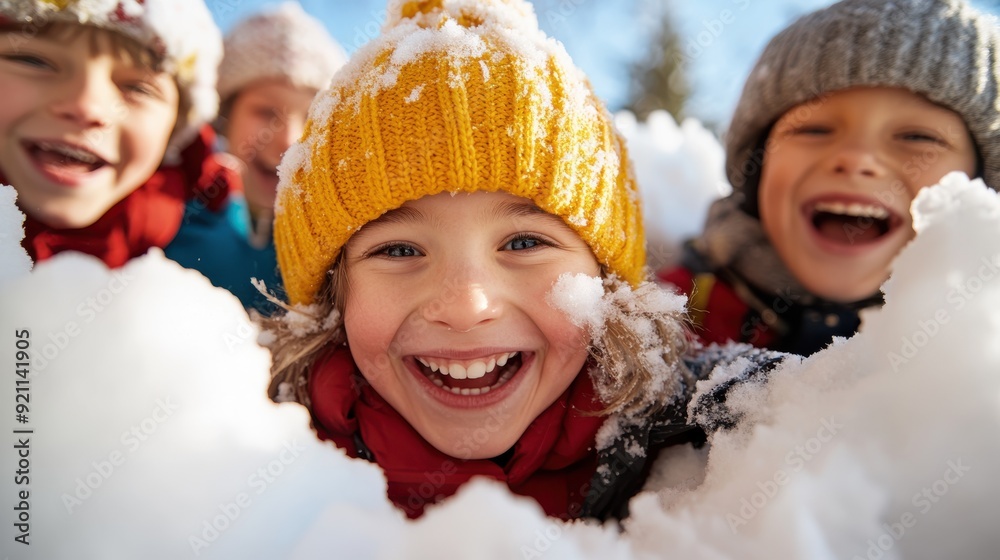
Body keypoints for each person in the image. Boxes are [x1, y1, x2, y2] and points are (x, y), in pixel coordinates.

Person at [263, 0, 788, 521]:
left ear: (606, 281)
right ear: (333, 294)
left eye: (522, 243)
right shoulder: (250, 461)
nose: (467, 306)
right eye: (399, 250)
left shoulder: (731, 437)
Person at [658, 0, 1000, 356]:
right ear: (757, 170)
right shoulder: (671, 318)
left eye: (918, 138)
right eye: (814, 129)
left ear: (984, 184)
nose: (856, 159)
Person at [0, 0, 233, 269]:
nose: (87, 107)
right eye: (33, 61)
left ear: (174, 135)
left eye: (138, 88)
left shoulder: (191, 261)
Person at [165, 2, 348, 311]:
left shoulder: (334, 241)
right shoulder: (168, 208)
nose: (289, 139)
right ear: (223, 115)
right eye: (266, 112)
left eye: (311, 118)